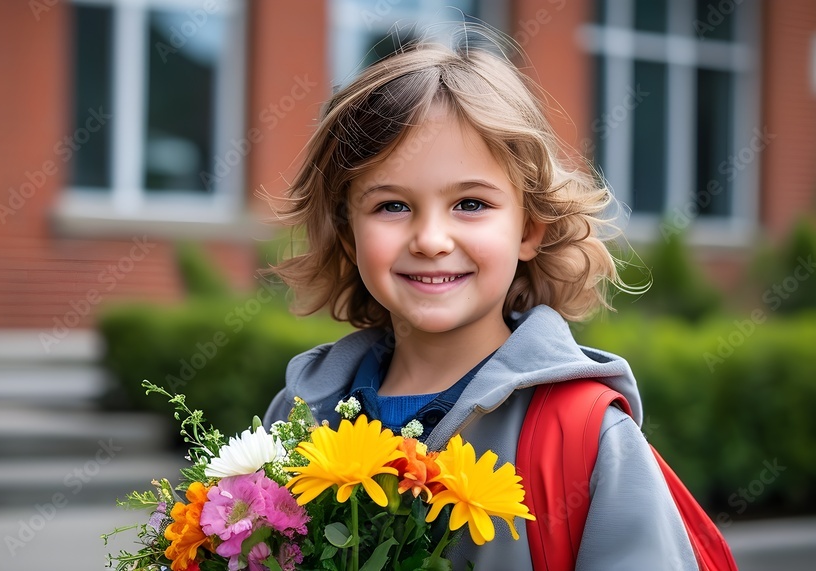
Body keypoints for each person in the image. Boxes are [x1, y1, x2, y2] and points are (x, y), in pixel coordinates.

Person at [261, 25, 697, 570]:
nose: (431, 240)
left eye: (470, 203)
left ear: (530, 228)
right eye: (392, 206)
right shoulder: (298, 414)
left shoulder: (587, 438)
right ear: (349, 234)